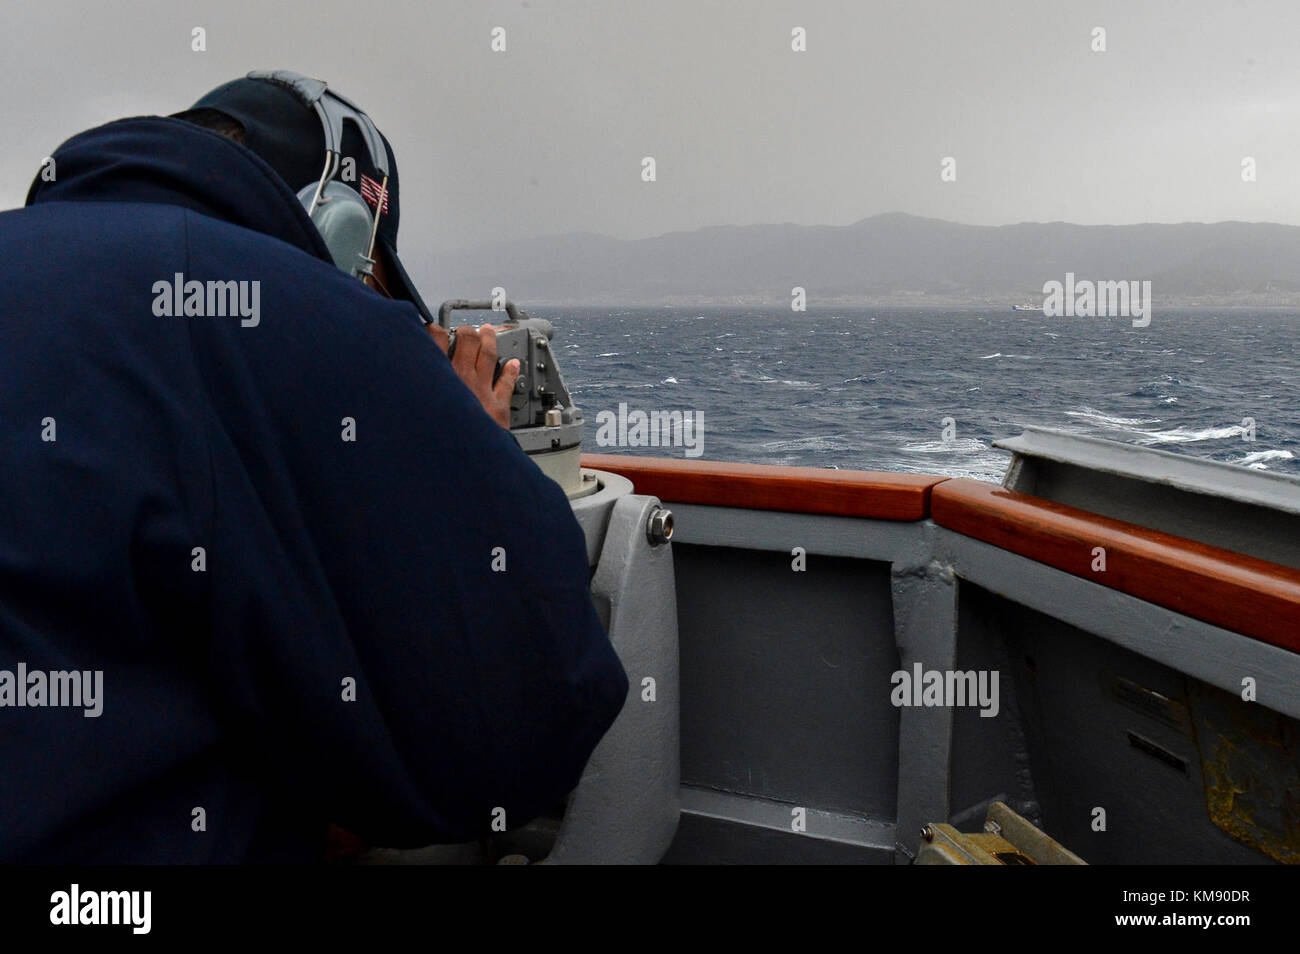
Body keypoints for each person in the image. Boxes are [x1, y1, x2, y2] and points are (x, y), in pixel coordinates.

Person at [0, 71, 628, 863]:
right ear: (339, 230)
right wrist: (463, 456)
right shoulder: (302, 309)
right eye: (368, 275)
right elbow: (520, 722)